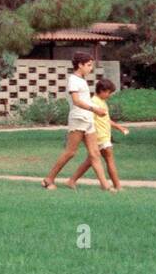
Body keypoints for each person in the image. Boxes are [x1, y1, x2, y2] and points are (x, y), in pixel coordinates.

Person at [42, 51, 113, 191]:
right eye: (88, 65)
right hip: (78, 119)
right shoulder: (73, 80)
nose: (90, 68)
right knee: (70, 152)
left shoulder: (81, 80)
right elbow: (76, 101)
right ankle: (48, 179)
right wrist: (95, 109)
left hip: (88, 120)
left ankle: (105, 185)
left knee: (95, 153)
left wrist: (93, 112)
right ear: (80, 65)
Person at [68, 78, 129, 190]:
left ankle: (72, 180)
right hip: (99, 137)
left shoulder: (102, 102)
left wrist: (118, 127)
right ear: (102, 90)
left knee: (91, 161)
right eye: (108, 92)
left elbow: (106, 120)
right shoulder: (93, 102)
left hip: (104, 136)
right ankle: (118, 186)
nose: (109, 95)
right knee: (109, 159)